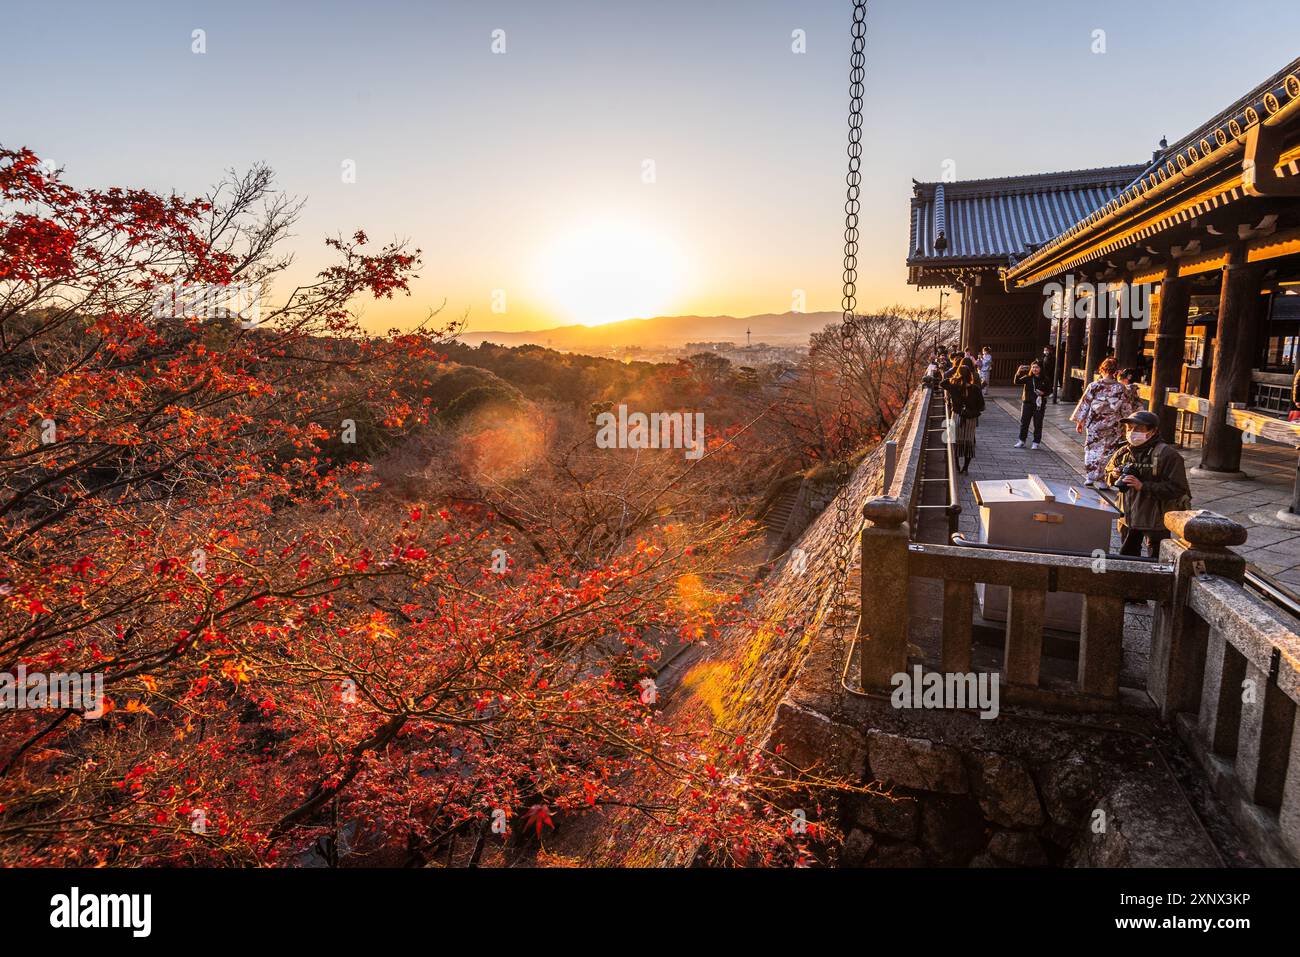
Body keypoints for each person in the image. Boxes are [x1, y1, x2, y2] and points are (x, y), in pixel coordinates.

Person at [1104, 410, 1191, 557]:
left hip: (1155, 518)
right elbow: (1107, 474)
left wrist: (1143, 486)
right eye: (1129, 428)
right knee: (1127, 558)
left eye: (1138, 428)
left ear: (1152, 431)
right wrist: (1114, 475)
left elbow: (1178, 488)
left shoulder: (1168, 455)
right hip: (1128, 516)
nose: (1132, 432)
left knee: (1157, 560)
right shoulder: (1123, 452)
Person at [1070, 357, 1138, 488]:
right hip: (1113, 424)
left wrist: (1080, 421)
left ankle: (1090, 477)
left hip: (1095, 423)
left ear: (1102, 370)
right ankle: (1103, 480)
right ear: (1115, 372)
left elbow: (1085, 404)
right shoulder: (1121, 388)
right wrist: (1128, 423)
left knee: (1091, 449)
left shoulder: (1094, 386)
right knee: (1108, 451)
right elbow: (1125, 408)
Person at [942, 362, 983, 473]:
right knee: (968, 442)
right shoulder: (975, 389)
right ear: (970, 375)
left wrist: (955, 374)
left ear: (958, 373)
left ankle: (956, 465)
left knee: (955, 441)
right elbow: (982, 406)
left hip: (957, 416)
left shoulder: (953, 386)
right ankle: (965, 468)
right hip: (970, 418)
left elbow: (943, 383)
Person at [1013, 359, 1052, 449]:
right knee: (1024, 423)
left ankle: (1036, 442)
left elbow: (1049, 391)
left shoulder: (1045, 379)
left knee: (1038, 424)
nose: (1035, 369)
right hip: (1027, 403)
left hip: (1039, 404)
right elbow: (1016, 381)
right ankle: (1021, 441)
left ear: (1041, 368)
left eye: (1037, 367)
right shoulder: (1028, 378)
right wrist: (1019, 371)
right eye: (1033, 367)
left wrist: (1043, 393)